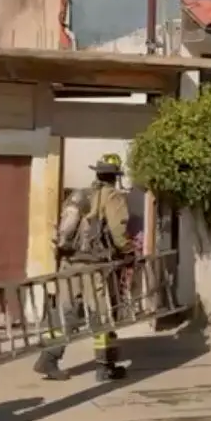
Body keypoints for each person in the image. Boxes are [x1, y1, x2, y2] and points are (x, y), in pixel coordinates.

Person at [33, 153, 133, 382]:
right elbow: (119, 231)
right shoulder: (113, 197)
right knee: (101, 313)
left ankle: (48, 359)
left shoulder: (78, 196)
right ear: (115, 176)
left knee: (67, 311)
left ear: (97, 173)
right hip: (93, 266)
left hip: (68, 263)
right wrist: (128, 251)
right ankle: (104, 366)